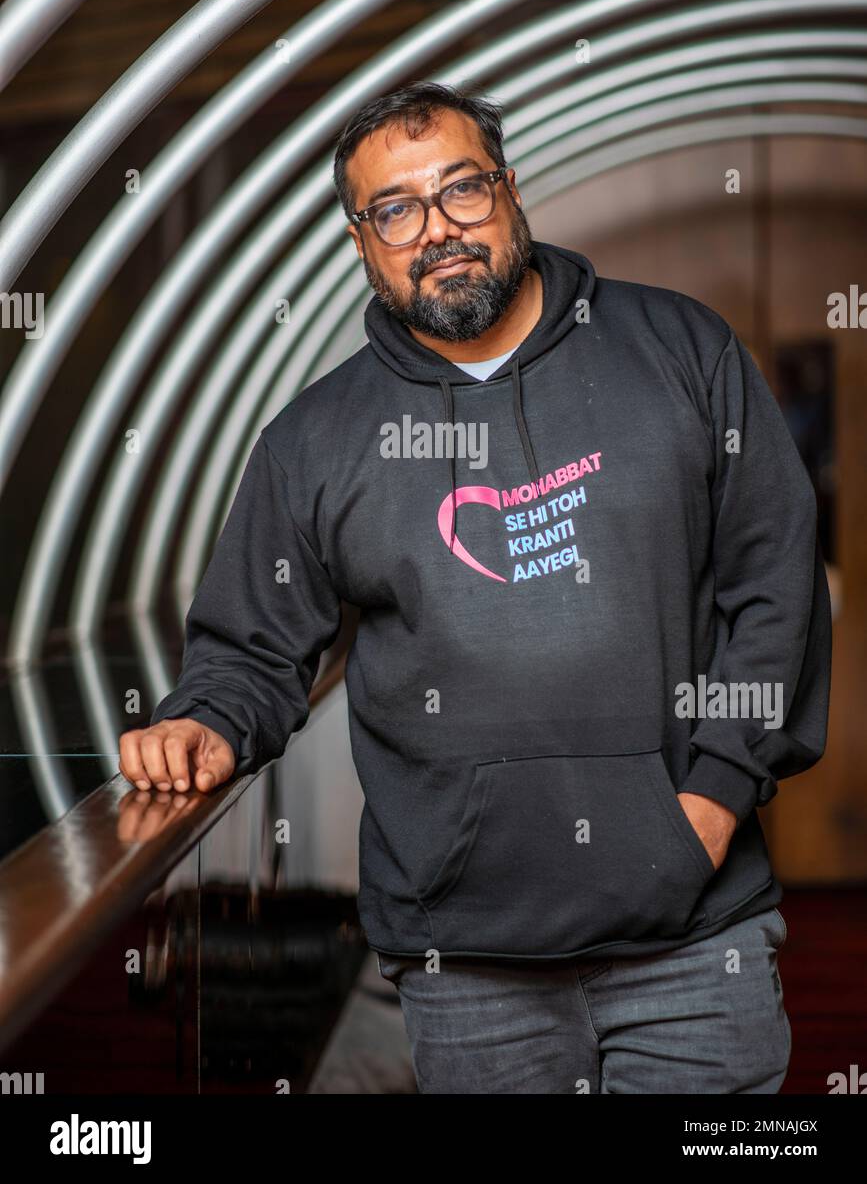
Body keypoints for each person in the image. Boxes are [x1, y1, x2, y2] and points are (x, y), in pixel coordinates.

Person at [120, 81, 831, 1094]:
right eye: (396, 209)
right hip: (466, 965)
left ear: (509, 188)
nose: (438, 230)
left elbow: (776, 586)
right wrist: (205, 722)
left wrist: (711, 799)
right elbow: (249, 647)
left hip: (694, 940)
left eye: (462, 190)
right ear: (362, 241)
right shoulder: (314, 441)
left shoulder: (682, 352)